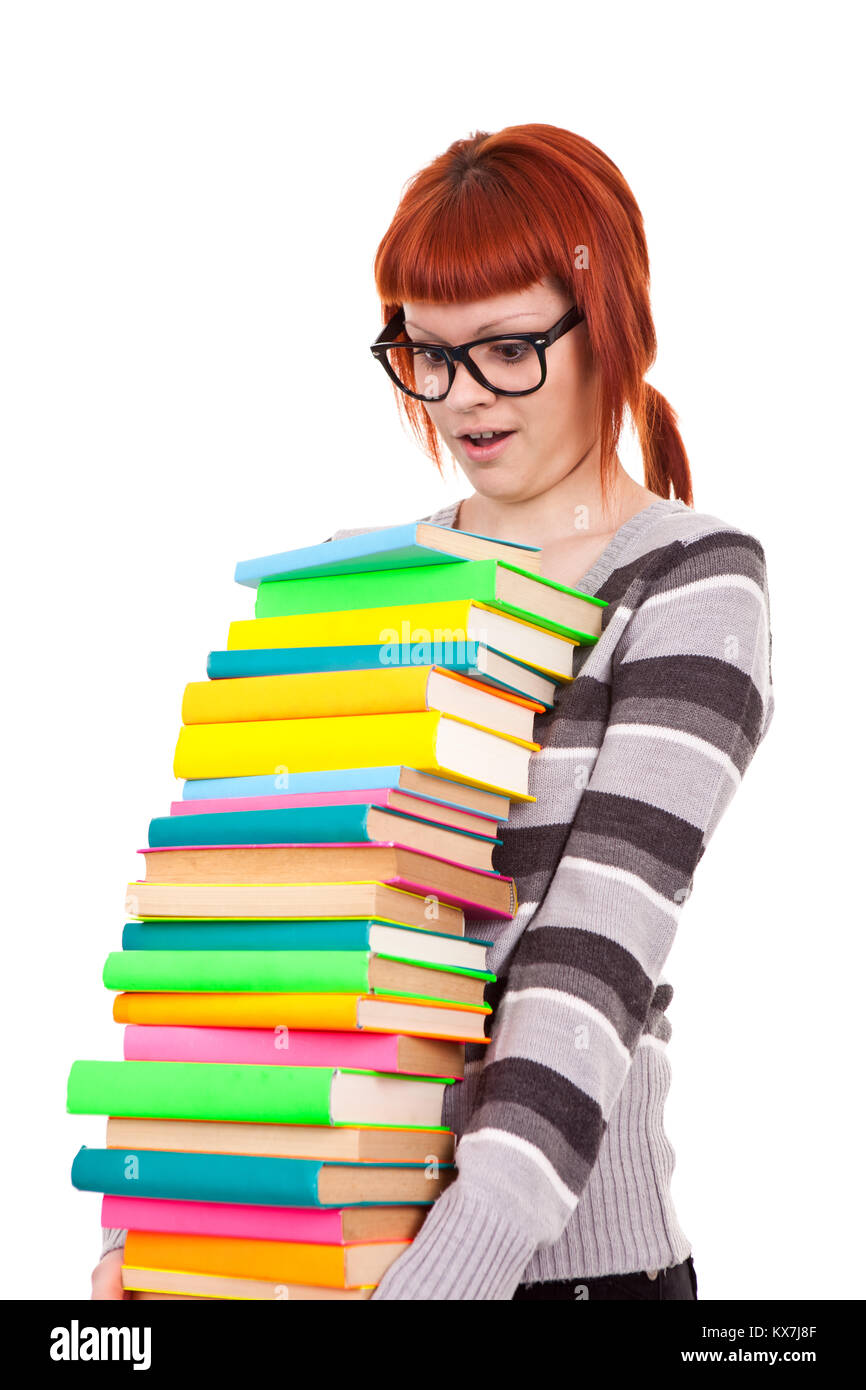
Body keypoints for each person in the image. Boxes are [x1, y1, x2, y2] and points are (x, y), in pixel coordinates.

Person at [92, 123, 774, 1301]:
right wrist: (158, 1235)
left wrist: (441, 1278)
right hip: (286, 1260)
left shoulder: (686, 582)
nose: (461, 398)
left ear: (603, 316)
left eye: (507, 347)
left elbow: (587, 965)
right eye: (426, 351)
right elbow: (240, 938)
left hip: (552, 1273)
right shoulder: (348, 582)